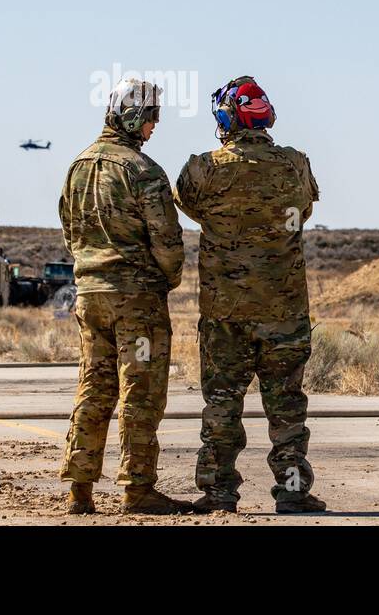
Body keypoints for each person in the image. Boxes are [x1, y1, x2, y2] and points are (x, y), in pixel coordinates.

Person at [174, 76, 325, 514]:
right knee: (287, 411)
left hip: (226, 315)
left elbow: (191, 206)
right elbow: (306, 209)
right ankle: (293, 492)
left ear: (226, 118)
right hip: (284, 313)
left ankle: (219, 493)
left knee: (221, 407)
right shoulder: (295, 165)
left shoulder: (203, 169)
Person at [57, 77, 189, 515]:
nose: (154, 128)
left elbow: (70, 232)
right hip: (137, 298)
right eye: (152, 119)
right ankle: (137, 488)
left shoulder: (77, 166)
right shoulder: (143, 170)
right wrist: (166, 279)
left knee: (93, 387)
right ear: (136, 117)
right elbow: (168, 244)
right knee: (141, 392)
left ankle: (80, 487)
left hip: (89, 294)